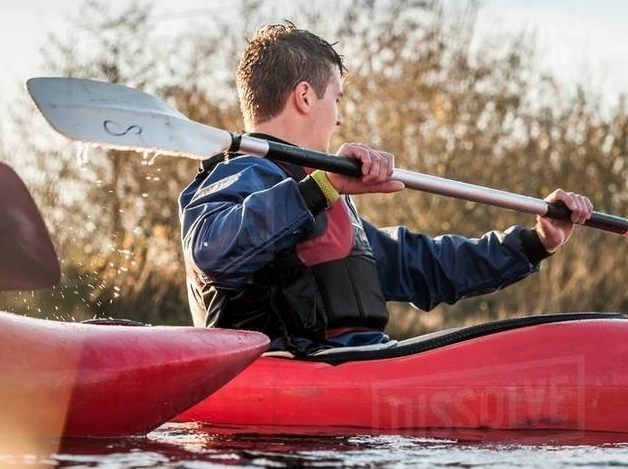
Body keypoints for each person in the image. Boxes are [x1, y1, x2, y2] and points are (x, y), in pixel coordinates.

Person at [179, 22, 593, 353]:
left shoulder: (323, 198)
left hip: (357, 368)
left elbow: (428, 267)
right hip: (297, 378)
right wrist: (323, 186)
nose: (339, 118)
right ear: (305, 96)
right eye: (337, 99)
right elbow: (211, 252)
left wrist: (535, 243)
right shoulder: (242, 174)